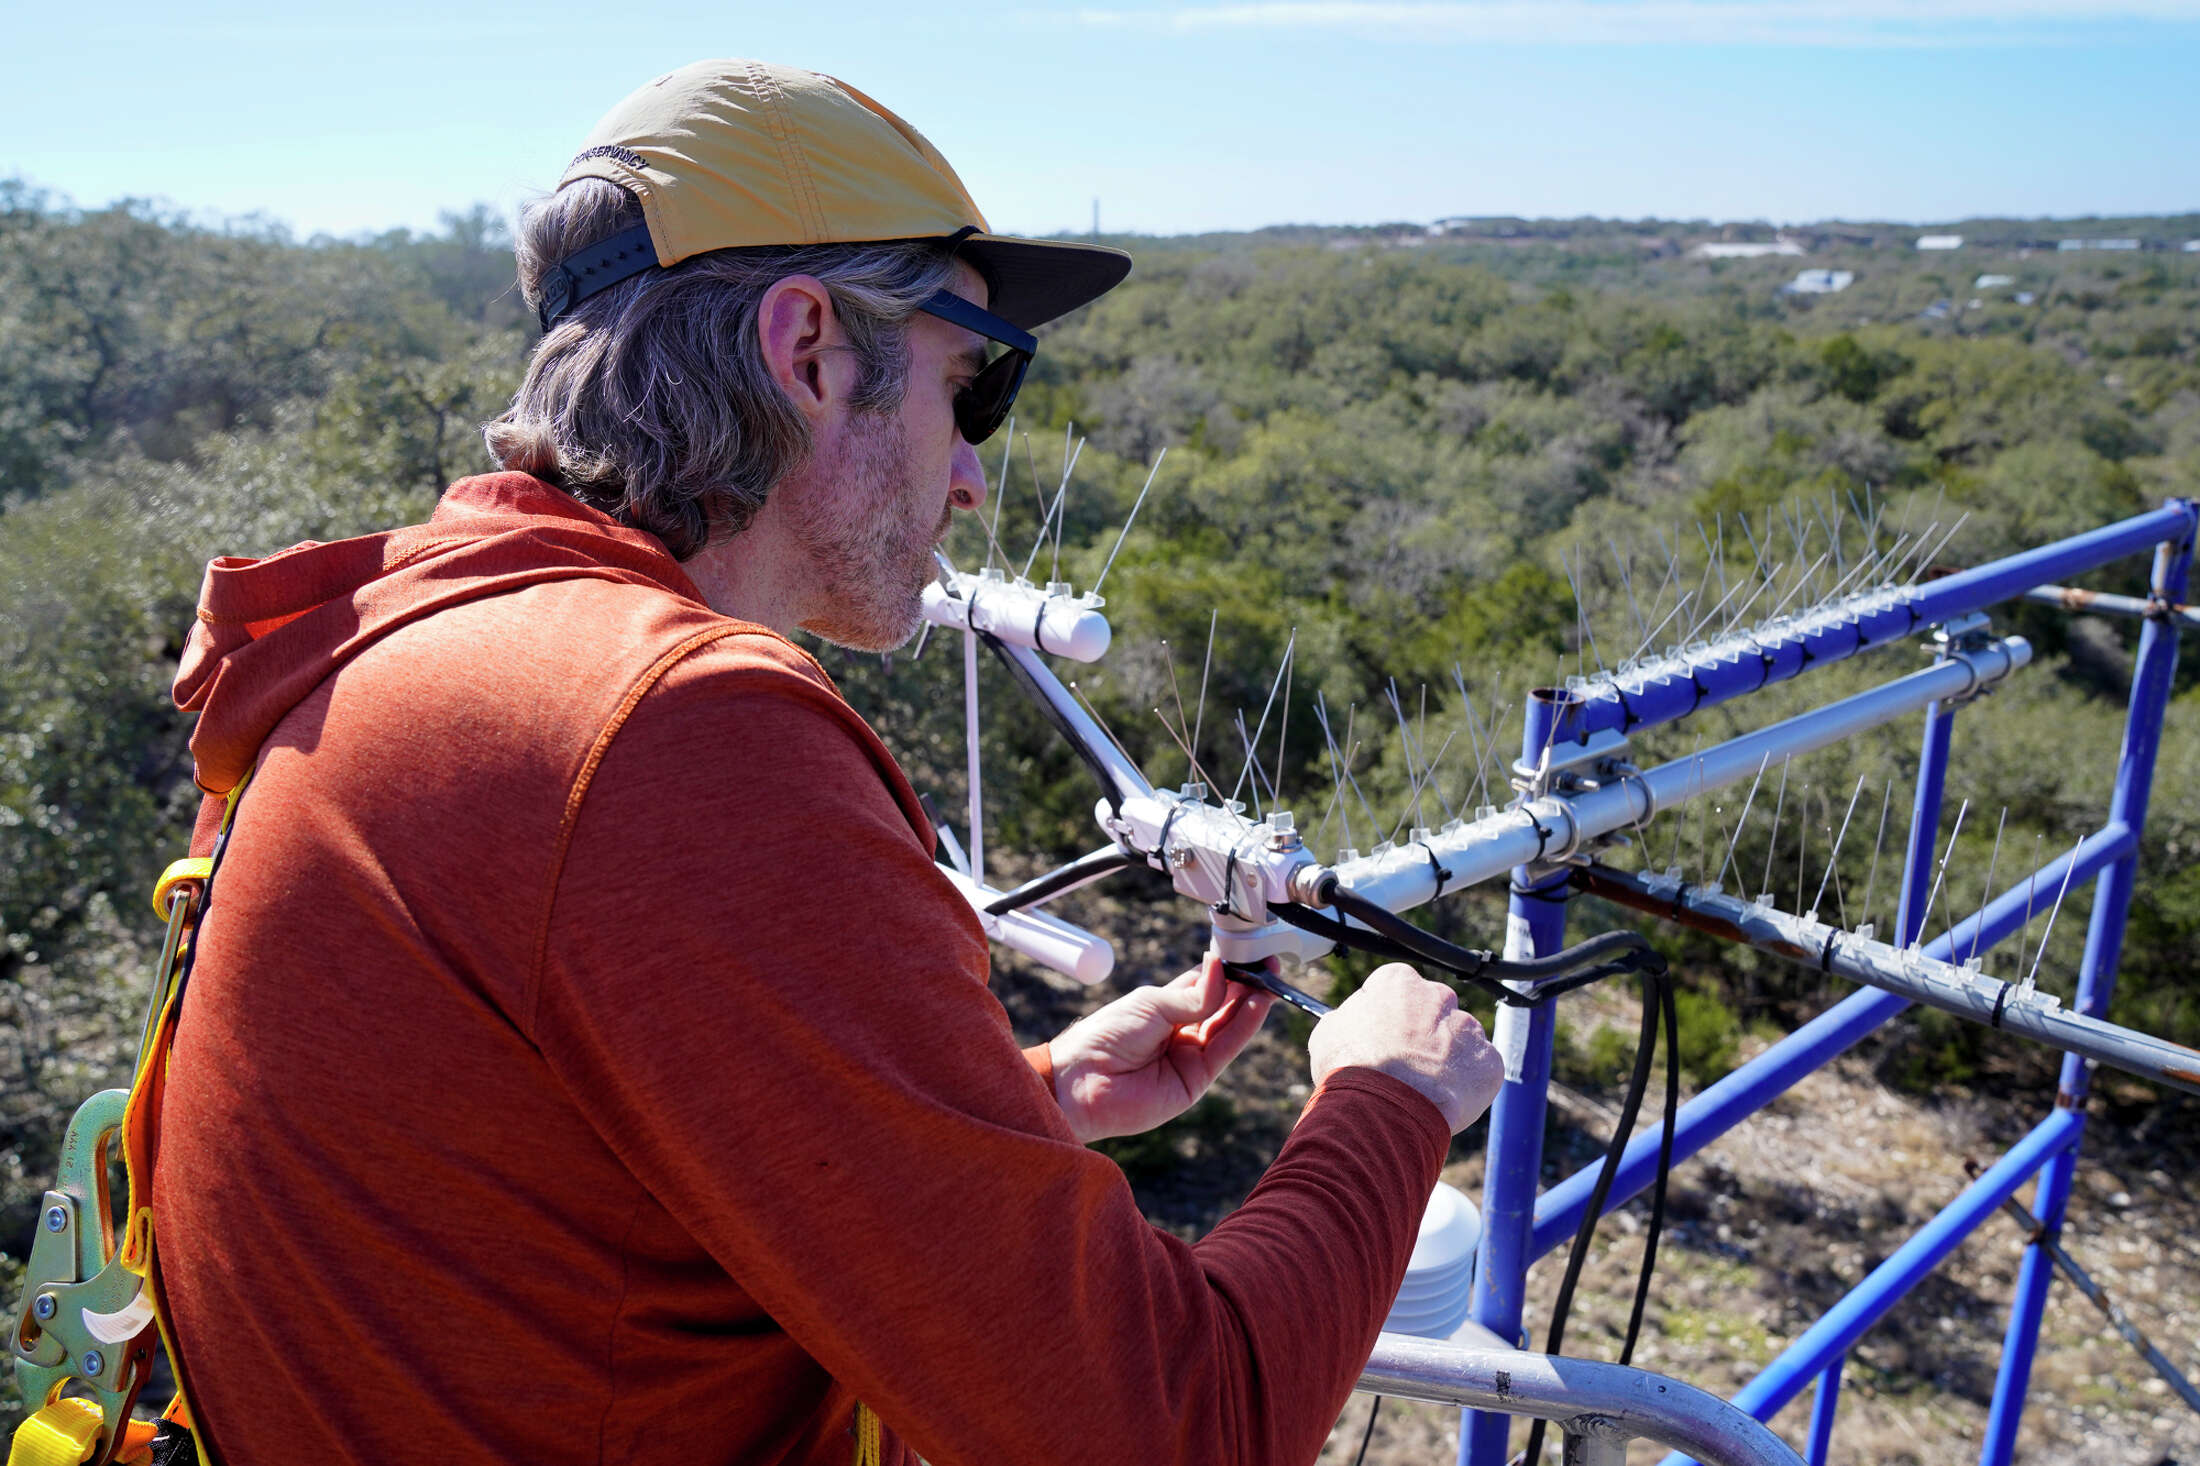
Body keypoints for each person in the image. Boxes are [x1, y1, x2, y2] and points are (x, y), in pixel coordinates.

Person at [155, 60, 1506, 1465]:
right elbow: (1167, 1430)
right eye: (969, 387)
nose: (974, 475)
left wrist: (1017, 1104)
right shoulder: (670, 731)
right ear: (808, 351)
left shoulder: (415, 643)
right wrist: (1385, 1101)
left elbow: (553, 1210)